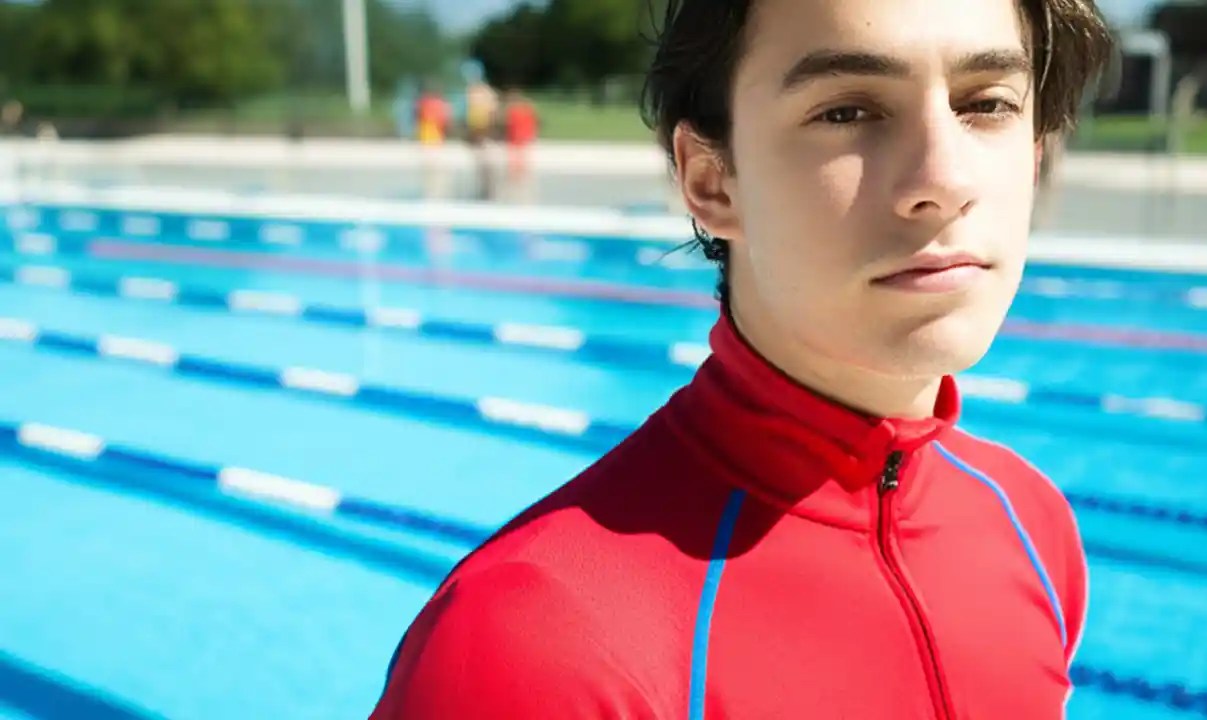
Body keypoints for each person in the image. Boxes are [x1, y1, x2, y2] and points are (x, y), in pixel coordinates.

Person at [372, 0, 1112, 716]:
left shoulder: (1029, 525)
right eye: (847, 111)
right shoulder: (533, 648)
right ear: (709, 180)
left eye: (986, 103)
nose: (944, 181)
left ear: (1036, 147)